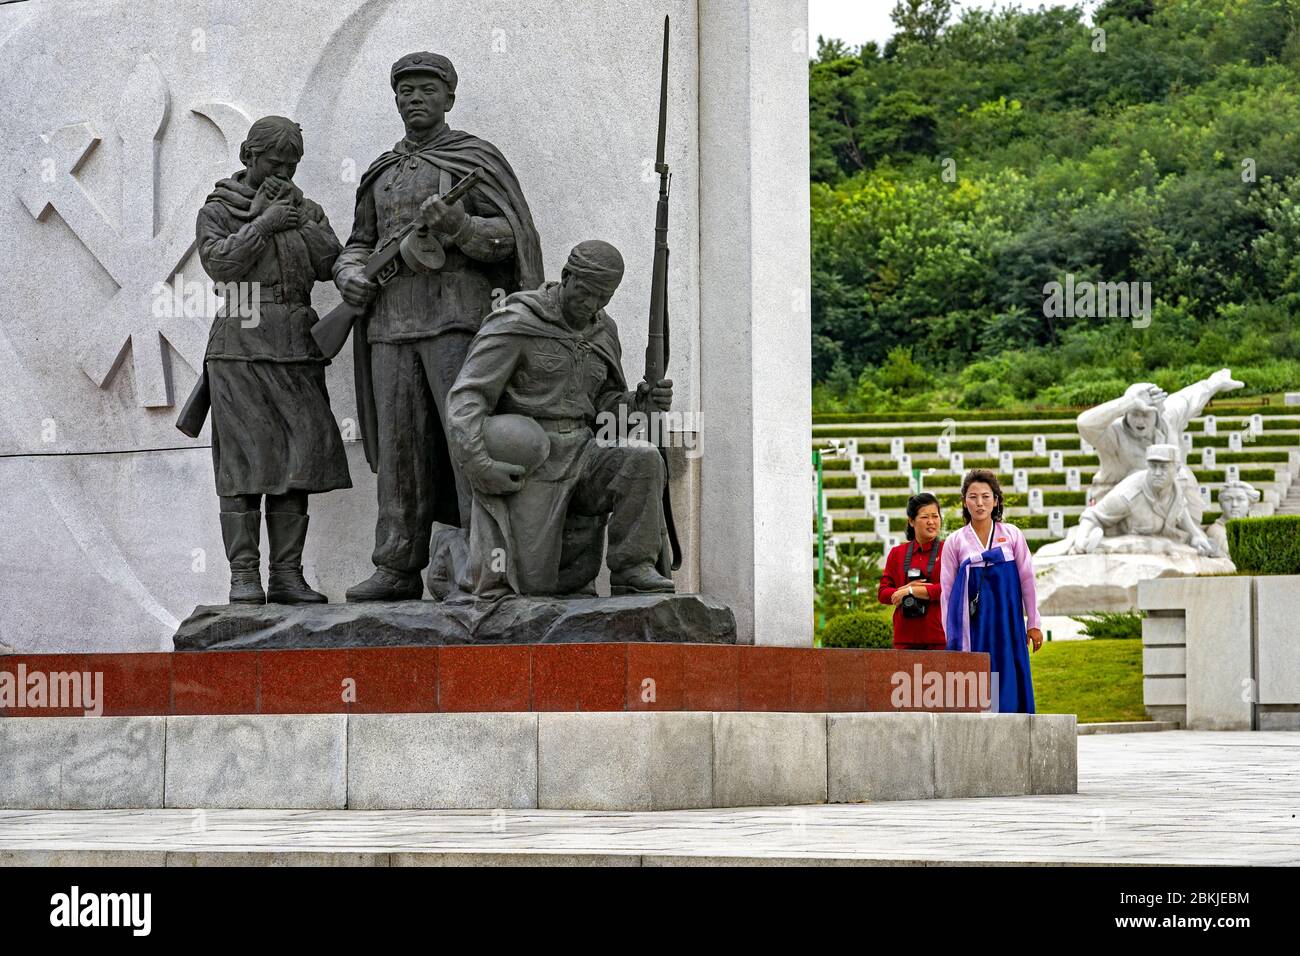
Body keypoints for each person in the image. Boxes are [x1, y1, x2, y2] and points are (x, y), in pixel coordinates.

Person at [334, 51, 544, 601]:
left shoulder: (473, 161)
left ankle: (483, 564)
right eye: (405, 91)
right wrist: (350, 273)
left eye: (427, 89)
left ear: (449, 97)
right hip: (390, 328)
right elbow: (358, 242)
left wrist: (460, 225)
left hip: (459, 325)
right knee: (400, 450)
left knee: (466, 444)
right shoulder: (379, 172)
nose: (414, 98)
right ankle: (396, 564)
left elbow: (512, 237)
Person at [445, 240, 675, 597]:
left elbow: (605, 407)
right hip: (534, 457)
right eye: (585, 292)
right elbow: (468, 396)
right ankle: (449, 550)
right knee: (534, 586)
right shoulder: (517, 321)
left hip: (583, 453)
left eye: (603, 297)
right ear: (566, 277)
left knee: (642, 459)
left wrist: (639, 403)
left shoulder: (603, 331)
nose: (592, 305)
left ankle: (633, 567)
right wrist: (477, 462)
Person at [194, 115, 350, 604]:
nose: (283, 172)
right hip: (239, 348)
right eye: (274, 162)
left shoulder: (306, 209)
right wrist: (262, 225)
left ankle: (286, 574)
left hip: (297, 348)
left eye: (291, 164)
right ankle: (244, 575)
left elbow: (332, 263)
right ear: (248, 157)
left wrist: (303, 221)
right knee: (243, 464)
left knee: (296, 462)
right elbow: (220, 266)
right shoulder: (220, 208)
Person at [940, 469, 1043, 713]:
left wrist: (1034, 623)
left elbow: (1028, 580)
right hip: (974, 623)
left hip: (1007, 621)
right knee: (980, 670)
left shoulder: (1012, 535)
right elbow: (947, 591)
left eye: (986, 496)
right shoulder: (955, 541)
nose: (979, 503)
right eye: (973, 497)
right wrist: (950, 633)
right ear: (964, 501)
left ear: (996, 500)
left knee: (1007, 667)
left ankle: (1012, 719)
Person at [1079, 369, 1243, 516]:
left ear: (1157, 414)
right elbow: (1084, 424)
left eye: (1146, 415)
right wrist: (1128, 402)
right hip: (1117, 501)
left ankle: (1190, 533)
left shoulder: (1168, 417)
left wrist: (1216, 382)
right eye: (1134, 413)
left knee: (1181, 475)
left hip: (1163, 497)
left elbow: (1191, 396)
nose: (1140, 420)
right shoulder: (1114, 433)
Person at [1067, 444, 1217, 556]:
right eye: (1153, 466)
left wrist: (1196, 535)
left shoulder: (1176, 487)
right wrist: (1081, 538)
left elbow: (1180, 509)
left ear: (1176, 470)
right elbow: (1093, 515)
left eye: (1164, 467)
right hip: (1124, 549)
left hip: (1158, 549)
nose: (1157, 473)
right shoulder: (1128, 494)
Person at [878, 493, 945, 650]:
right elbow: (883, 593)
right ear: (911, 521)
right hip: (904, 639)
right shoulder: (897, 553)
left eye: (935, 516)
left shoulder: (948, 550)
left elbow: (949, 589)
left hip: (938, 638)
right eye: (924, 517)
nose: (931, 522)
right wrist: (902, 592)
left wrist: (911, 590)